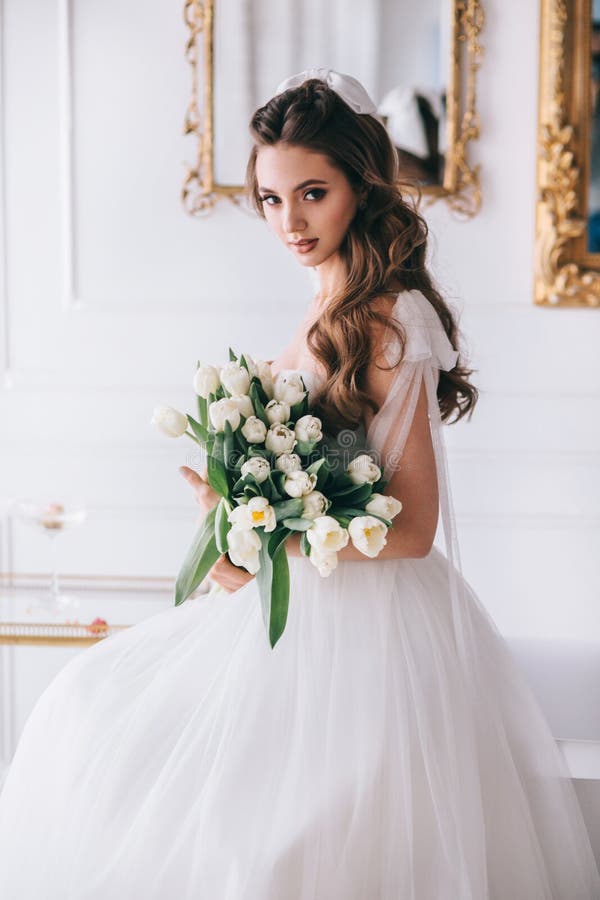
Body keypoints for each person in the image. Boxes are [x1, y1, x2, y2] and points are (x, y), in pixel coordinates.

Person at [0, 69, 598, 900]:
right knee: (85, 713)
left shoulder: (389, 317)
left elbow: (416, 528)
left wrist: (275, 529)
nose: (291, 221)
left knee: (259, 834)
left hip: (364, 635)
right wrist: (236, 530)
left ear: (362, 182)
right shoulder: (330, 297)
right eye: (271, 199)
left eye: (312, 193)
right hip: (298, 604)